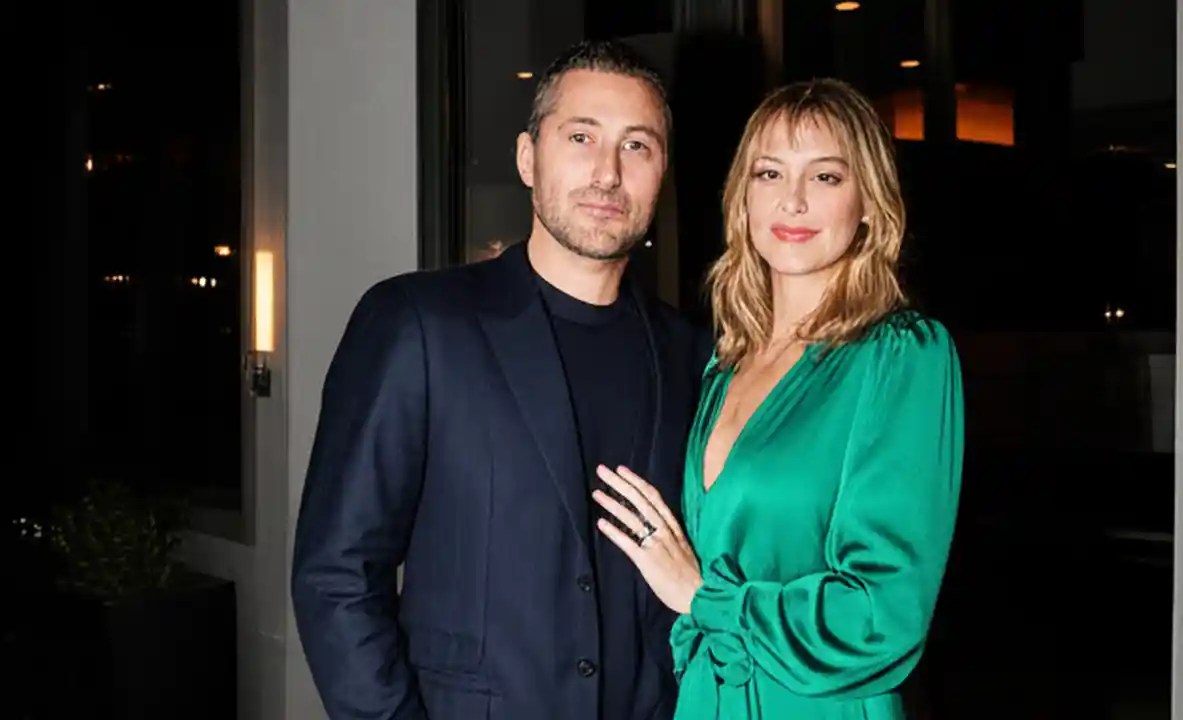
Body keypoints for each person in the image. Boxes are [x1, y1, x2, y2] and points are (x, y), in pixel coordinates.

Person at [291, 40, 710, 720]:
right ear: (527, 157)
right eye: (581, 136)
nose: (607, 172)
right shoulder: (419, 325)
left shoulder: (696, 354)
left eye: (637, 145)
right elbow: (336, 575)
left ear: (662, 171)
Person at [589, 78, 965, 719]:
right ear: (743, 199)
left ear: (868, 202)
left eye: (825, 177)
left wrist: (704, 598)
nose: (792, 201)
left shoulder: (901, 356)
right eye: (770, 173)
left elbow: (884, 614)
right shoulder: (724, 362)